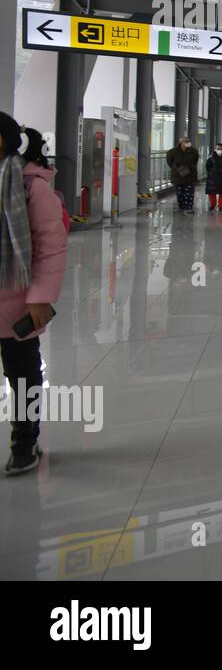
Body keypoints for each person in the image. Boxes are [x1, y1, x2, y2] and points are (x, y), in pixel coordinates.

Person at [0, 118, 68, 475]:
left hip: (16, 300)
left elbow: (51, 248)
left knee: (22, 374)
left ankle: (24, 442)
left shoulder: (30, 188)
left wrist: (40, 297)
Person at [166, 135, 199, 214]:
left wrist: (188, 168)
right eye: (186, 142)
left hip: (190, 175)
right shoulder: (172, 152)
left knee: (189, 193)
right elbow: (170, 162)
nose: (188, 143)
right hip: (178, 175)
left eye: (188, 142)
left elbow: (195, 161)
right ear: (181, 143)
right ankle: (181, 207)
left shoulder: (194, 151)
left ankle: (189, 208)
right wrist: (177, 168)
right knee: (180, 193)